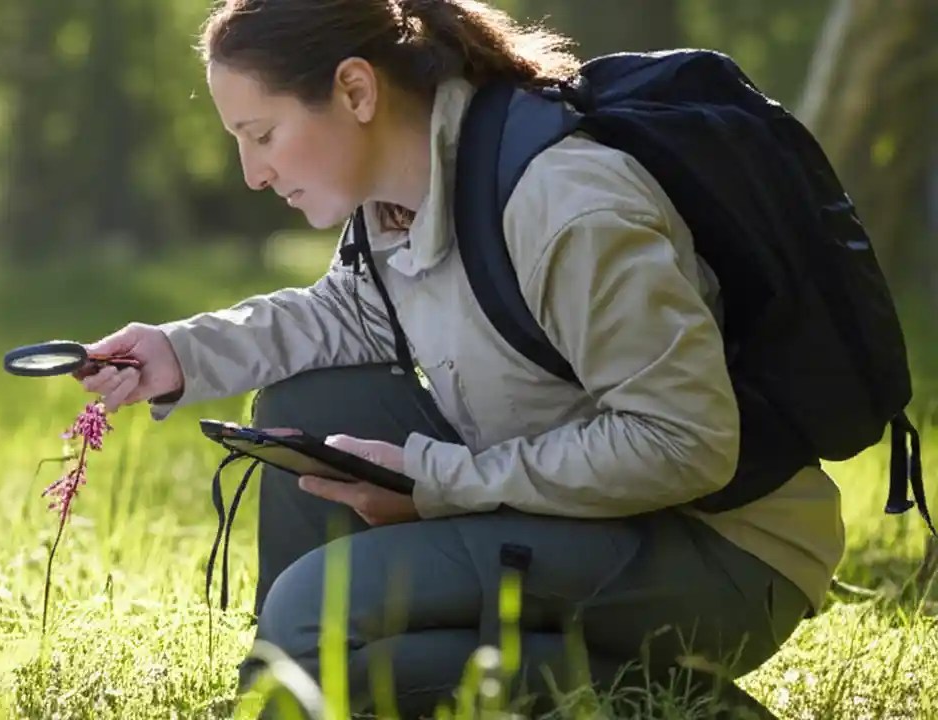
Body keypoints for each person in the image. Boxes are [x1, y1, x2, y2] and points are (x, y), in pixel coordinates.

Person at [78, 0, 845, 716]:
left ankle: (671, 700)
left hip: (719, 555)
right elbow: (348, 315)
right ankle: (294, 683)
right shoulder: (401, 199)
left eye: (262, 134)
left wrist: (438, 482)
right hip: (596, 516)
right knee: (302, 410)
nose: (253, 173)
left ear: (354, 90)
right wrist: (178, 351)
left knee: (322, 604)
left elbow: (685, 444)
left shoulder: (568, 206)